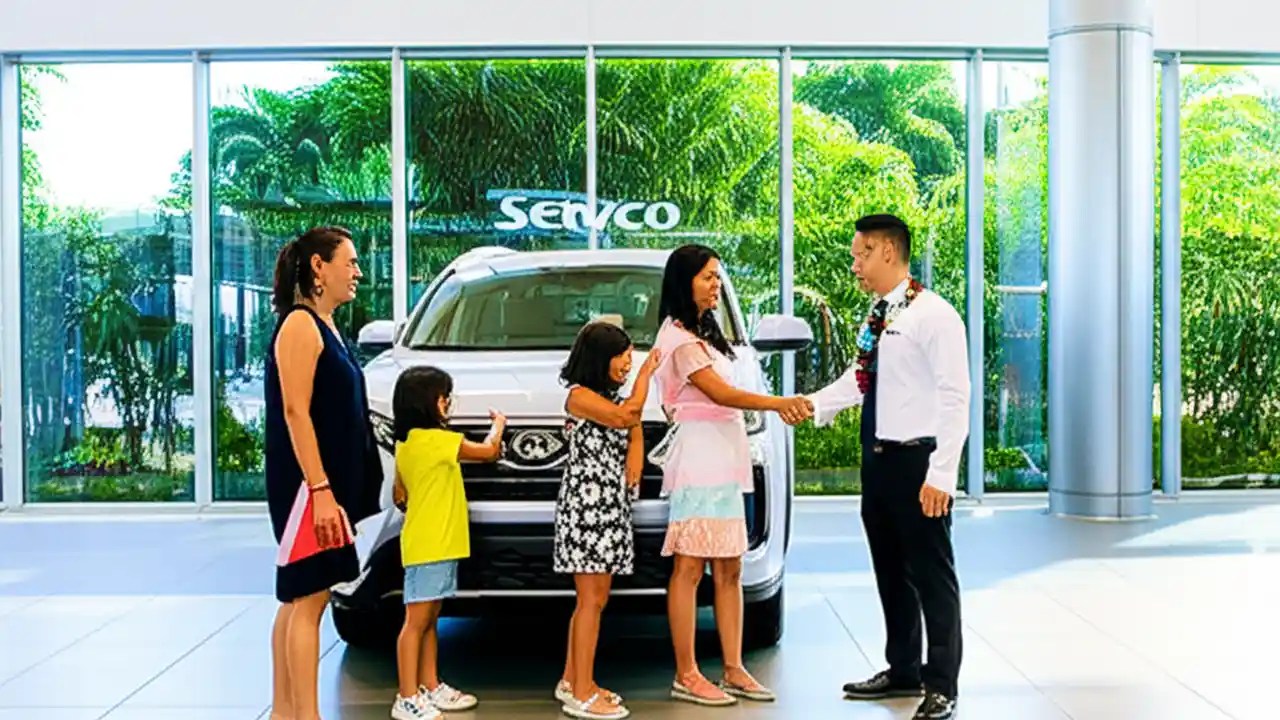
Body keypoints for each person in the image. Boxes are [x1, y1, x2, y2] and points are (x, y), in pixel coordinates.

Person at [806, 214, 969, 720]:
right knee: (891, 571)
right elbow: (861, 380)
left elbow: (956, 396)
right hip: (877, 460)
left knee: (932, 575)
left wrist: (941, 474)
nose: (855, 265)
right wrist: (813, 404)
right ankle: (903, 669)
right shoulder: (880, 314)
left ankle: (941, 684)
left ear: (888, 252)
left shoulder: (934, 315)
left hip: (917, 462)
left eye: (861, 254)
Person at [650, 244, 811, 707]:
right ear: (684, 282)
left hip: (725, 458)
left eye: (718, 277)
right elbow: (720, 393)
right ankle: (687, 673)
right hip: (700, 459)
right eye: (707, 277)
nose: (715, 285)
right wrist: (778, 403)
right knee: (689, 566)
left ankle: (734, 668)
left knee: (730, 566)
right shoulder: (678, 339)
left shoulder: (704, 332)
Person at [265, 226, 382, 720]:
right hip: (308, 489)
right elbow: (295, 412)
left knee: (299, 597)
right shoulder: (300, 325)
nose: (357, 272)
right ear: (319, 267)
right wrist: (319, 489)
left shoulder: (326, 325)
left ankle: (285, 712)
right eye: (350, 262)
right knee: (309, 599)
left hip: (323, 487)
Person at [553, 321, 662, 720]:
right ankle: (581, 692)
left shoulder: (608, 397)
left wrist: (635, 454)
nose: (628, 364)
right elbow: (626, 417)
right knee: (589, 601)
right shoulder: (579, 396)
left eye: (631, 358)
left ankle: (573, 680)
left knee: (596, 599)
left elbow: (632, 426)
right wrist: (647, 375)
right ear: (599, 358)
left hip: (609, 507)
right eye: (622, 357)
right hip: (587, 508)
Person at [389, 365, 504, 719]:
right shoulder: (439, 442)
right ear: (428, 403)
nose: (448, 403)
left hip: (429, 543)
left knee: (428, 619)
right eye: (444, 397)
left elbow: (399, 494)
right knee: (416, 622)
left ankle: (429, 684)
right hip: (433, 544)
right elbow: (489, 451)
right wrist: (498, 425)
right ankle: (407, 695)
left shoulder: (406, 444)